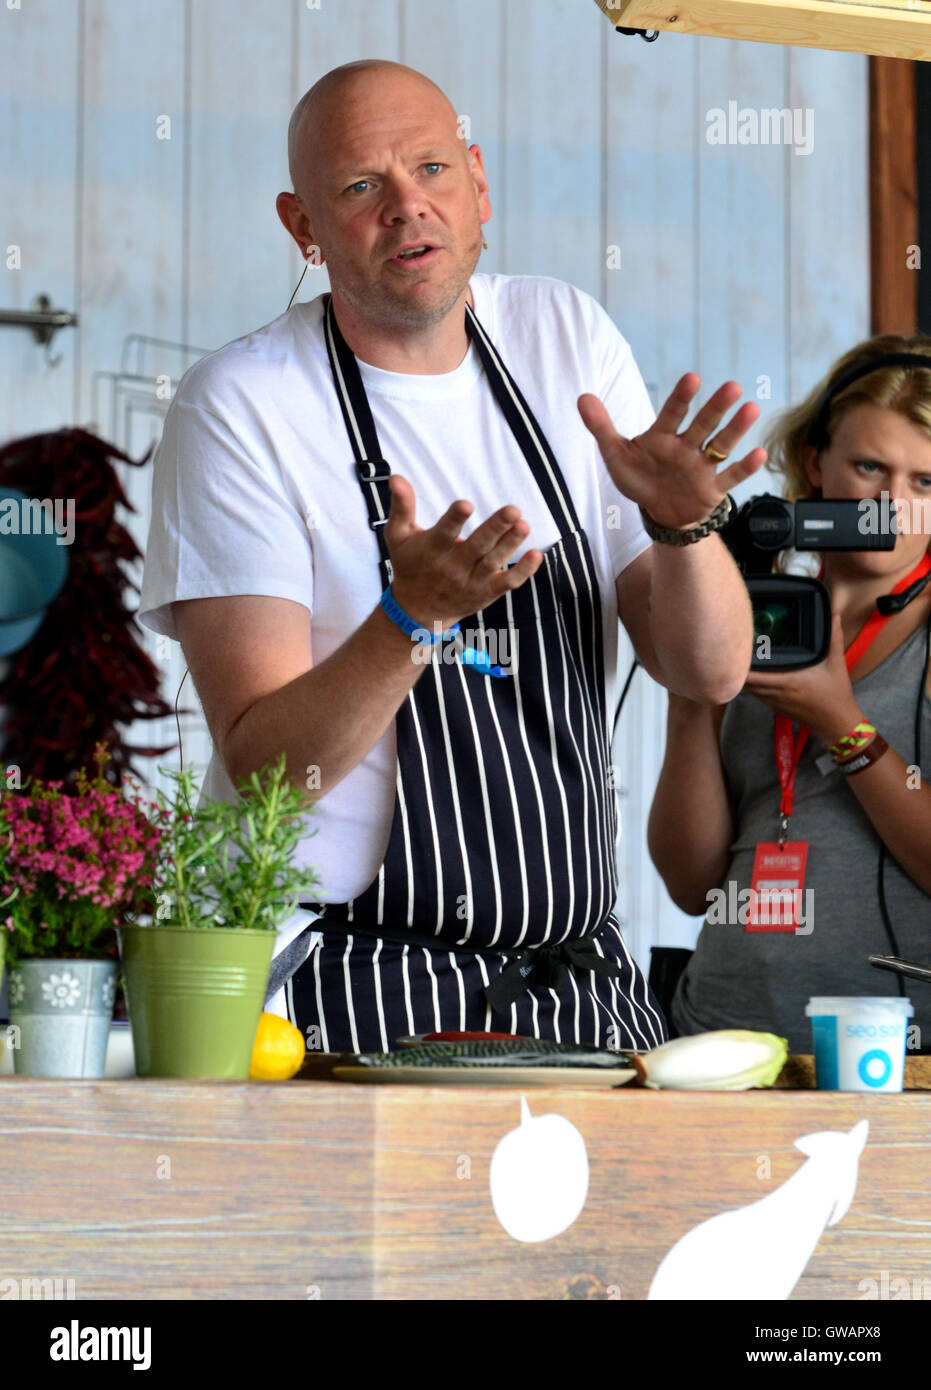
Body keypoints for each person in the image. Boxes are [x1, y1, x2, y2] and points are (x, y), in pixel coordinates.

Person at [138, 58, 764, 1055]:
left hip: (571, 983)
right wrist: (410, 619)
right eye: (359, 187)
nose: (406, 207)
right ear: (302, 228)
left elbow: (710, 668)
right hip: (342, 980)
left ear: (477, 184)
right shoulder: (242, 406)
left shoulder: (564, 337)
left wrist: (684, 529)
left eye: (430, 169)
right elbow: (263, 772)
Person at [649, 335, 931, 1055]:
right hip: (717, 1036)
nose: (889, 503)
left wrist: (843, 724)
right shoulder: (748, 614)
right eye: (868, 467)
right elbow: (690, 883)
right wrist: (694, 691)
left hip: (889, 1060)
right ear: (815, 463)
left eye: (923, 482)